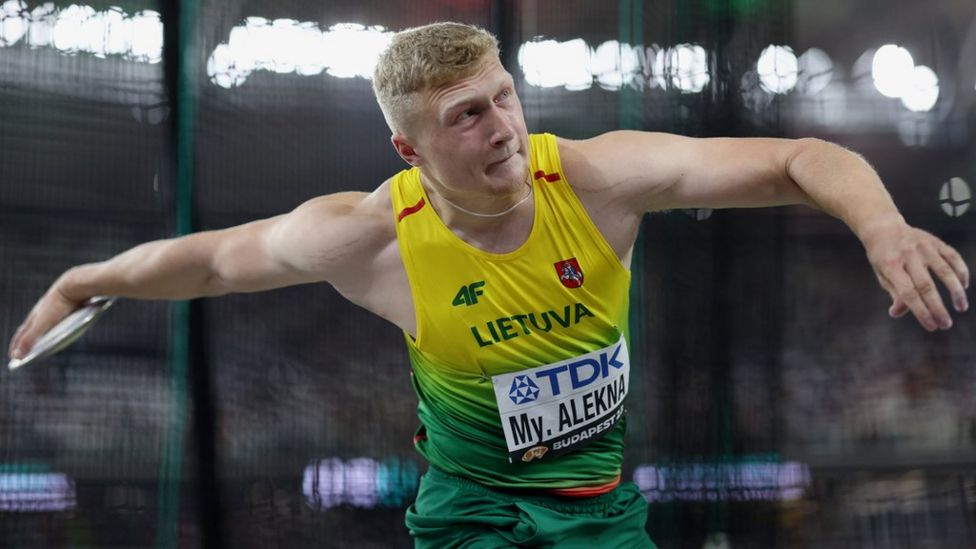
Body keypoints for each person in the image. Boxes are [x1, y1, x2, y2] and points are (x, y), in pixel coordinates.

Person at [7, 21, 970, 548]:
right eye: (468, 116)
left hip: (598, 509)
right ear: (409, 146)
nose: (504, 126)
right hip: (472, 518)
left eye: (505, 94)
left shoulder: (597, 177)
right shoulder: (367, 235)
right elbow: (214, 259)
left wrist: (880, 227)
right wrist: (83, 280)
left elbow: (799, 155)